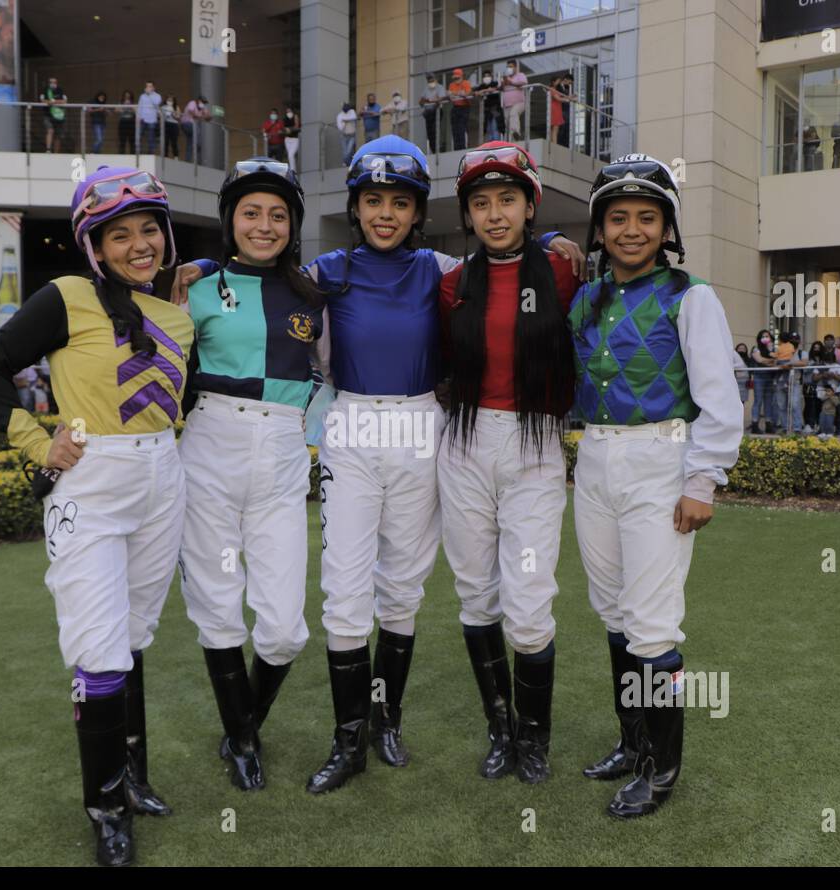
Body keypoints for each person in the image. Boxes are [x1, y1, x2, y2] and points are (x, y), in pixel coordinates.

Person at [170, 135, 582, 794]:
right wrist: (196, 262)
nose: (384, 214)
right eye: (371, 201)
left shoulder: (442, 271)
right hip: (351, 429)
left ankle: (386, 720)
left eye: (397, 202)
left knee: (404, 588)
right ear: (355, 207)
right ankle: (348, 740)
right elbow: (262, 272)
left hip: (424, 427)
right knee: (345, 590)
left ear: (416, 210)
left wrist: (556, 238)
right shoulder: (326, 271)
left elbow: (507, 259)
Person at [0, 165, 194, 866]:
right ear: (95, 246)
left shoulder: (178, 317)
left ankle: (134, 779)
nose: (139, 244)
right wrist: (39, 445)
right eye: (119, 234)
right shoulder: (67, 296)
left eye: (148, 229)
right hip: (92, 484)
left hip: (164, 477)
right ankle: (105, 810)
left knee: (131, 636)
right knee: (99, 649)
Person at [571, 153, 742, 818]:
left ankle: (660, 770)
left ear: (667, 226)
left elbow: (720, 398)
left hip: (661, 462)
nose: (632, 229)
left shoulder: (692, 296)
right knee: (612, 613)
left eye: (647, 217)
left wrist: (704, 479)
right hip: (594, 460)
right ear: (599, 229)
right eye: (618, 218)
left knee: (651, 626)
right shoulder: (585, 298)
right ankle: (631, 740)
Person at [180, 158, 325, 792]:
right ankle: (243, 740)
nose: (263, 226)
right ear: (229, 221)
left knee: (287, 628)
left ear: (292, 225)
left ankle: (244, 722)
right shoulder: (191, 288)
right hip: (208, 446)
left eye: (277, 215)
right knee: (217, 609)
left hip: (284, 452)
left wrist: (547, 241)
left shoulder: (317, 291)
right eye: (250, 213)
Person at [439, 142, 581, 785]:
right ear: (467, 214)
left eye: (507, 200)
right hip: (464, 446)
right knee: (476, 596)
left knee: (527, 607)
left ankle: (535, 737)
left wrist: (562, 244)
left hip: (535, 448)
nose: (494, 214)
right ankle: (501, 730)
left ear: (530, 205)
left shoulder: (563, 271)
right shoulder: (449, 283)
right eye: (480, 203)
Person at [749, 329, 777, 434]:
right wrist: (770, 360)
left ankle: (768, 424)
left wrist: (770, 354)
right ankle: (755, 424)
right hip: (759, 377)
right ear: (759, 338)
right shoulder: (756, 349)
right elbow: (759, 360)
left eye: (767, 336)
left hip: (770, 377)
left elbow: (777, 361)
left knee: (769, 402)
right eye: (763, 336)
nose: (766, 338)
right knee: (758, 401)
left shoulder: (773, 349)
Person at [501, 60, 528, 140]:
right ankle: (510, 140)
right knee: (507, 122)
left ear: (515, 68)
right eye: (508, 67)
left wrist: (511, 82)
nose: (509, 68)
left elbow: (523, 83)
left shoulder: (520, 75)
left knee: (513, 113)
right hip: (507, 104)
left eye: (511, 67)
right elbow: (501, 88)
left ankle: (516, 132)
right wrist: (504, 81)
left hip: (519, 102)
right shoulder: (506, 78)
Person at [40, 76, 68, 153]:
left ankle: (56, 153)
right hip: (48, 115)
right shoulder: (45, 90)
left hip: (59, 116)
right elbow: (42, 101)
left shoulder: (60, 90)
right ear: (48, 83)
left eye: (54, 82)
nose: (53, 84)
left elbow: (64, 101)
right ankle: (48, 149)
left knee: (58, 135)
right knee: (50, 130)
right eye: (51, 82)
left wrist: (53, 102)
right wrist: (49, 102)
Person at [448, 69, 473, 151]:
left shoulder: (466, 83)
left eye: (457, 78)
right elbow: (451, 96)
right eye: (455, 78)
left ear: (461, 77)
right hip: (456, 107)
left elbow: (467, 94)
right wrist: (460, 93)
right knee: (455, 129)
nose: (456, 80)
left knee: (462, 128)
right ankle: (456, 148)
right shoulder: (452, 85)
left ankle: (462, 147)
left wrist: (457, 93)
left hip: (464, 107)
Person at [418, 75, 445, 152]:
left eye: (432, 80)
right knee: (430, 133)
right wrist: (431, 100)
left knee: (435, 130)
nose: (430, 82)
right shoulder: (426, 89)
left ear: (435, 80)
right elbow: (421, 102)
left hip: (437, 111)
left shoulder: (439, 87)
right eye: (429, 81)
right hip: (428, 113)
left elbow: (440, 99)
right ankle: (433, 150)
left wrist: (429, 100)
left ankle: (439, 148)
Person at [182, 95, 211, 162]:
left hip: (193, 125)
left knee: (190, 142)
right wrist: (202, 116)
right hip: (187, 123)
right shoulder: (192, 103)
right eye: (202, 102)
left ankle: (188, 160)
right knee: (197, 136)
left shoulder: (203, 108)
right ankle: (197, 144)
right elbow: (191, 113)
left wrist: (208, 116)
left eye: (204, 103)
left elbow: (208, 117)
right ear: (198, 100)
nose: (203, 104)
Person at [475, 70, 502, 141]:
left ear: (491, 77)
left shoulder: (494, 83)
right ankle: (490, 144)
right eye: (485, 76)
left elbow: (498, 88)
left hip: (495, 109)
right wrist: (484, 91)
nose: (486, 78)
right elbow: (475, 92)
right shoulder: (482, 86)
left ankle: (496, 143)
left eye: (488, 76)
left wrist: (484, 91)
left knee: (495, 127)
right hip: (486, 110)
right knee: (488, 128)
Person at [549, 75, 576, 146]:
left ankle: (554, 143)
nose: (559, 82)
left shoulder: (555, 89)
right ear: (553, 82)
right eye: (558, 81)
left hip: (558, 108)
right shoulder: (552, 89)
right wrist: (569, 99)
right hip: (555, 108)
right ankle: (554, 144)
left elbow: (561, 96)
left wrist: (570, 97)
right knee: (555, 127)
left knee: (556, 128)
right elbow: (559, 98)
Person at [137, 82, 161, 155]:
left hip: (152, 119)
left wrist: (150, 94)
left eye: (150, 86)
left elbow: (156, 103)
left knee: (151, 137)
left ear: (153, 88)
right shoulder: (142, 96)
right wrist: (138, 116)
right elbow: (140, 106)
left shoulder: (157, 96)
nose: (148, 88)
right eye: (147, 86)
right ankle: (139, 152)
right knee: (139, 135)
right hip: (143, 118)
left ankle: (150, 153)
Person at [335, 101, 358, 166]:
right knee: (345, 152)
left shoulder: (352, 111)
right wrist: (345, 123)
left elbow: (354, 118)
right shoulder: (339, 115)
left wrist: (345, 120)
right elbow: (340, 127)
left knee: (349, 150)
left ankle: (349, 163)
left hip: (352, 134)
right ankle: (347, 163)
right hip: (344, 135)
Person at [733, 343, 752, 413]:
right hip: (735, 383)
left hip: (744, 384)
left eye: (743, 349)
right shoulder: (733, 357)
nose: (741, 350)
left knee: (742, 402)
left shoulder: (748, 360)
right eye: (740, 348)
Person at [161, 95, 181, 159]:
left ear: (173, 101)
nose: (169, 101)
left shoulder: (176, 107)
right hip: (166, 124)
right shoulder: (163, 107)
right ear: (166, 101)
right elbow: (160, 116)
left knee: (174, 142)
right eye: (168, 100)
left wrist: (173, 113)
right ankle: (165, 156)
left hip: (174, 125)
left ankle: (176, 157)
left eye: (171, 100)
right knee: (165, 141)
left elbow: (178, 117)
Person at [283, 107, 301, 172]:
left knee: (291, 154)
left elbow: (297, 126)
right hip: (287, 139)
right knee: (290, 156)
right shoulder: (285, 119)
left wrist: (289, 129)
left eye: (289, 111)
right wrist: (287, 130)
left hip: (295, 139)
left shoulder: (295, 116)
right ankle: (292, 169)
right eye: (287, 112)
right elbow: (284, 128)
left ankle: (293, 171)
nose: (288, 113)